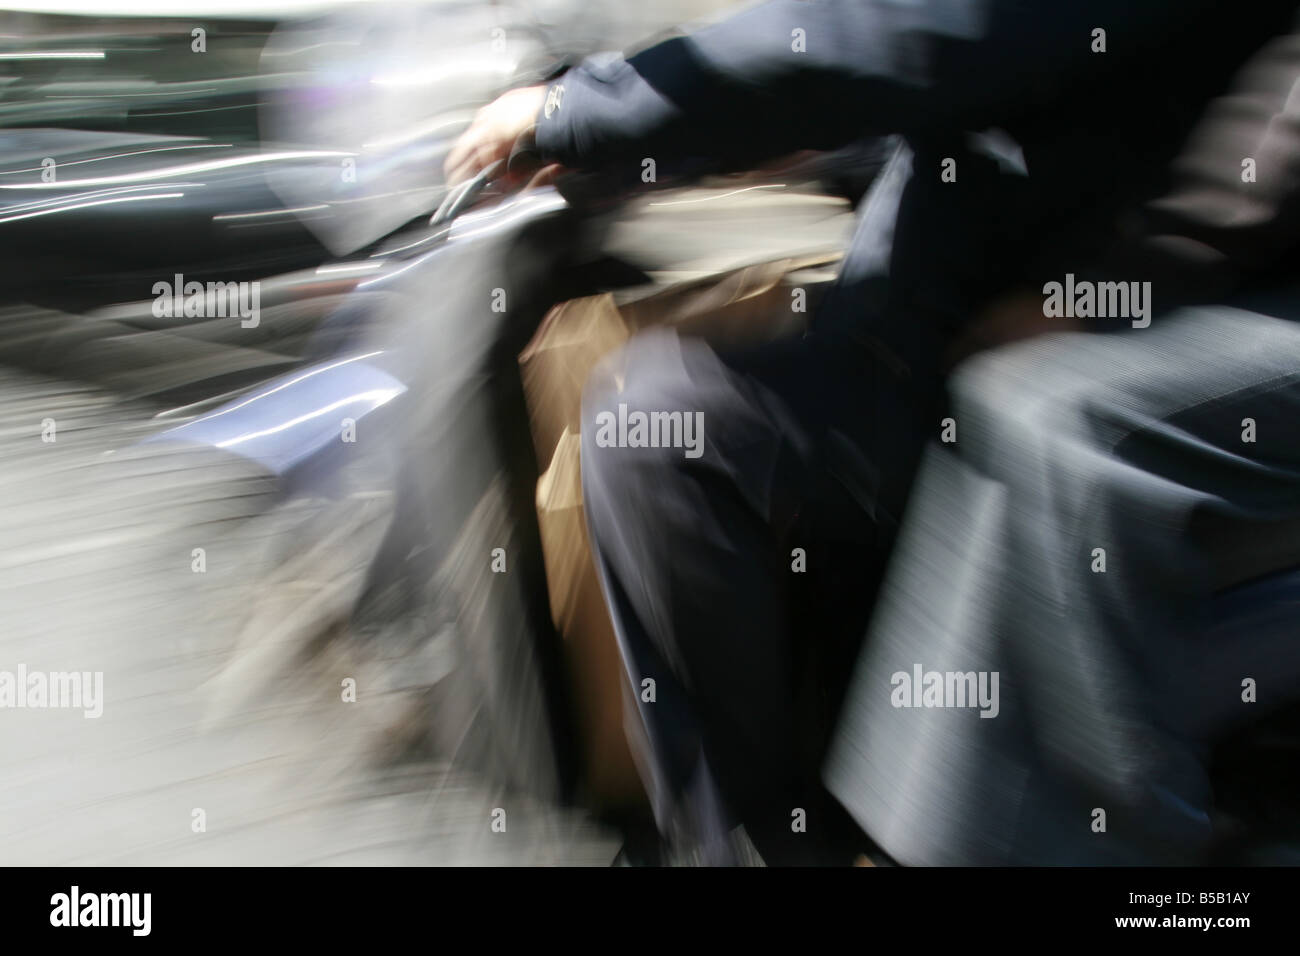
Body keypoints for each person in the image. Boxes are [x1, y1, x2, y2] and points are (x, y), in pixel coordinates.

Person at [446, 0, 1300, 864]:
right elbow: (904, 85)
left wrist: (582, 110)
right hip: (974, 311)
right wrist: (673, 147)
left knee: (682, 427)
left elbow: (896, 39)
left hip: (1084, 327)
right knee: (669, 411)